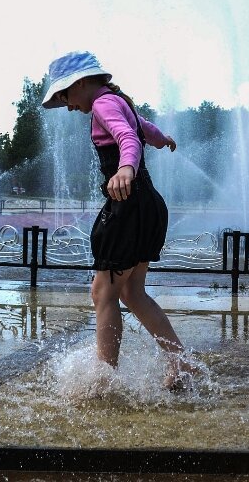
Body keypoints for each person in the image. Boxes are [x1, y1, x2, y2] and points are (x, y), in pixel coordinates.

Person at [41, 50, 191, 390]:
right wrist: (160, 138)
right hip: (147, 204)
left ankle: (104, 377)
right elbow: (140, 128)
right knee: (133, 292)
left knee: (102, 292)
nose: (67, 105)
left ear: (78, 84)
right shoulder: (118, 100)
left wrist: (126, 167)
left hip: (128, 204)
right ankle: (180, 363)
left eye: (65, 95)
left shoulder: (102, 105)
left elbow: (125, 137)